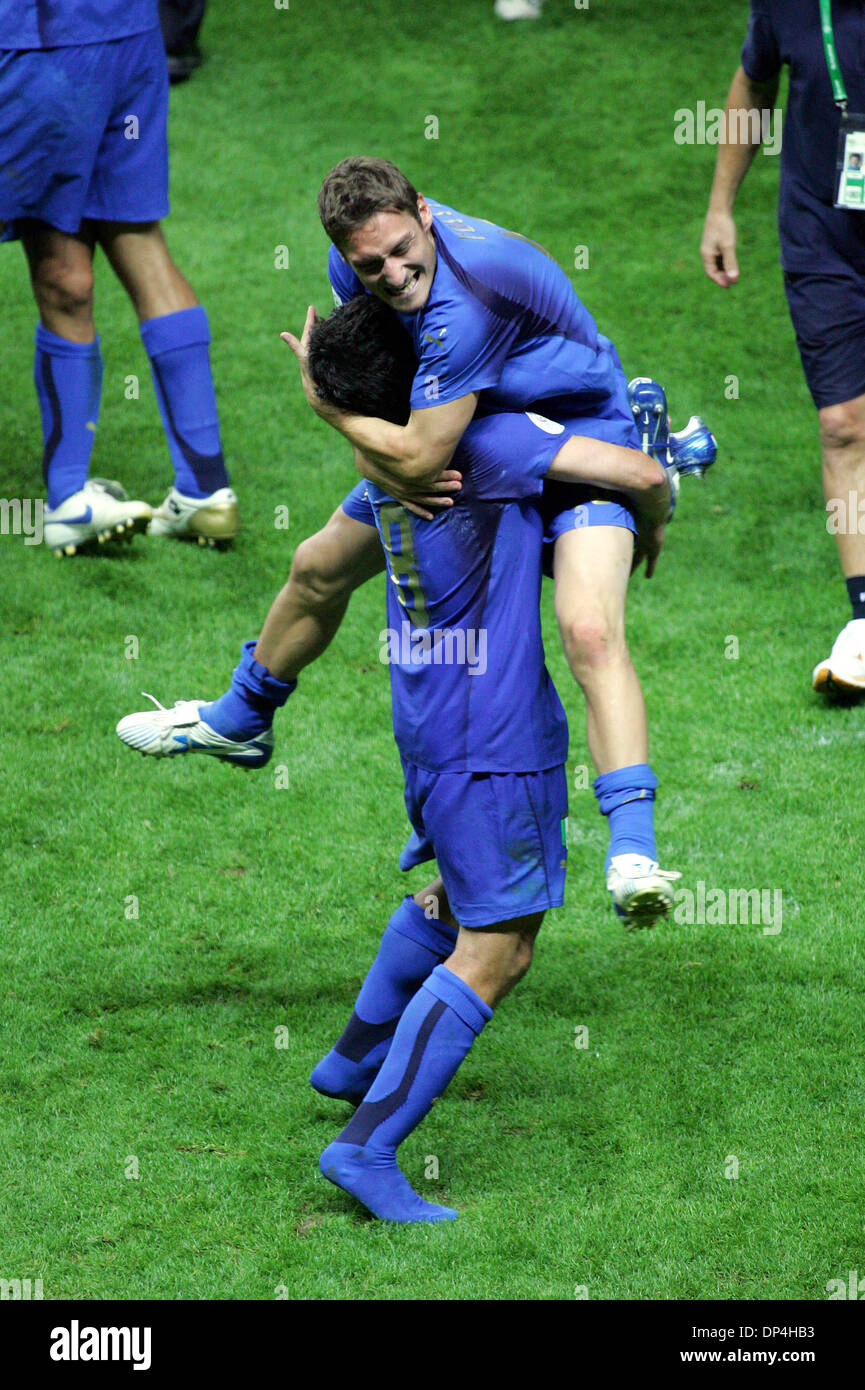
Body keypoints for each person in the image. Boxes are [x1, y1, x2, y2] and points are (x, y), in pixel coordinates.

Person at [118, 294, 671, 1222]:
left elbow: (316, 569)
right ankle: (366, 1147)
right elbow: (632, 471)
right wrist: (653, 499)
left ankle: (349, 1057)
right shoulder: (493, 445)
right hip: (495, 741)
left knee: (458, 894)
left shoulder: (381, 474)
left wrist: (324, 399)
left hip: (425, 724)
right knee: (500, 945)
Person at [276, 156, 688, 927]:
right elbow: (399, 417)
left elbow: (417, 452)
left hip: (577, 432)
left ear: (424, 211)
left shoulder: (472, 292)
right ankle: (243, 712)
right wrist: (388, 438)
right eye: (371, 265)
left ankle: (632, 852)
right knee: (321, 562)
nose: (394, 276)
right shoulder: (356, 268)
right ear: (344, 252)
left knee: (589, 627)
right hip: (477, 433)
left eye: (403, 250)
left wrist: (652, 516)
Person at [0, 0, 238, 556]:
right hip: (130, 36)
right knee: (136, 237)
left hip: (41, 42)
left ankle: (66, 499)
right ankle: (205, 489)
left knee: (64, 268)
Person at [700, 0, 865, 697]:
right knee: (841, 423)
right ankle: (863, 621)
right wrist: (719, 206)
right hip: (820, 233)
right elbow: (752, 82)